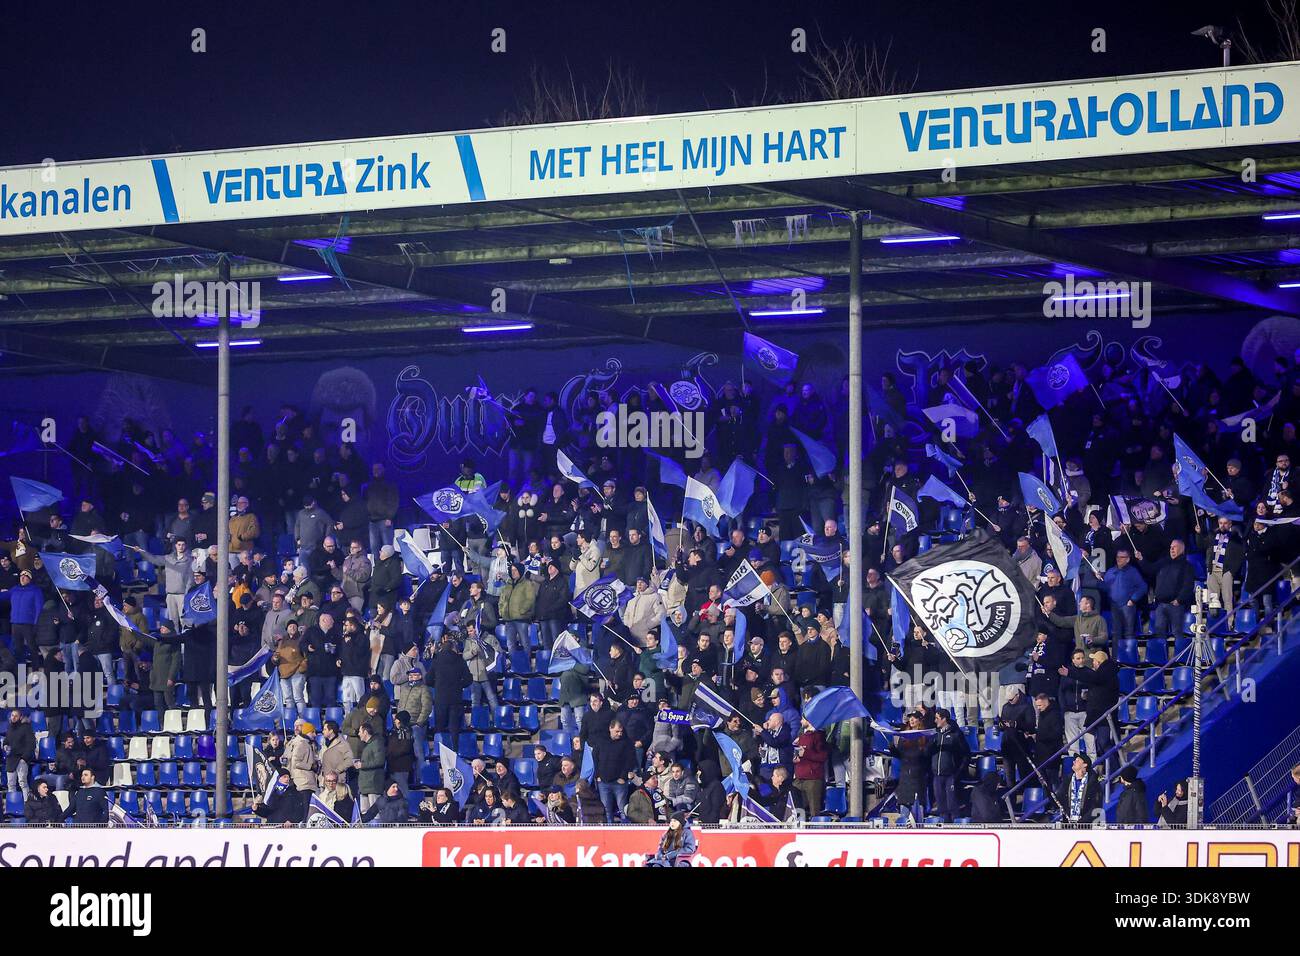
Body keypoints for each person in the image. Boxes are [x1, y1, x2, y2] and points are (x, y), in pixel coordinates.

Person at [927, 708, 969, 823]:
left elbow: (965, 755)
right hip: (937, 775)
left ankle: (957, 831)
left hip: (951, 776)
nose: (935, 721)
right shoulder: (934, 735)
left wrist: (957, 774)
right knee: (941, 807)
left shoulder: (955, 734)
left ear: (944, 719)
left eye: (937, 718)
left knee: (952, 806)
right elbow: (927, 753)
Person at [1055, 753, 1101, 825]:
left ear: (1085, 765)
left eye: (1077, 760)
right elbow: (1058, 800)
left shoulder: (1093, 783)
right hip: (1068, 824)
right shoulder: (1067, 780)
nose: (1074, 762)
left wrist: (1081, 822)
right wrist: (1047, 788)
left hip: (1086, 826)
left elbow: (1096, 807)